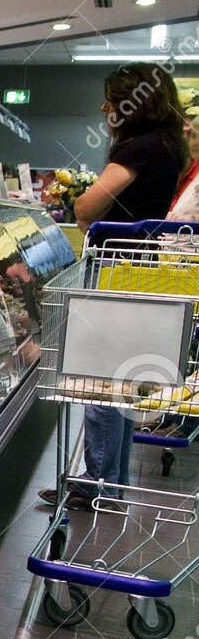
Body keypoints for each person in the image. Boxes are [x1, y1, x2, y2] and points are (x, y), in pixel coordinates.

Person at [41, 64, 188, 508]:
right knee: (121, 382)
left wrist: (82, 203)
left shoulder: (139, 147)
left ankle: (97, 482)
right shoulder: (168, 144)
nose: (106, 107)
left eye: (112, 98)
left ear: (134, 102)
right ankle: (112, 480)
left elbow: (88, 207)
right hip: (141, 268)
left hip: (114, 268)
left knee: (100, 380)